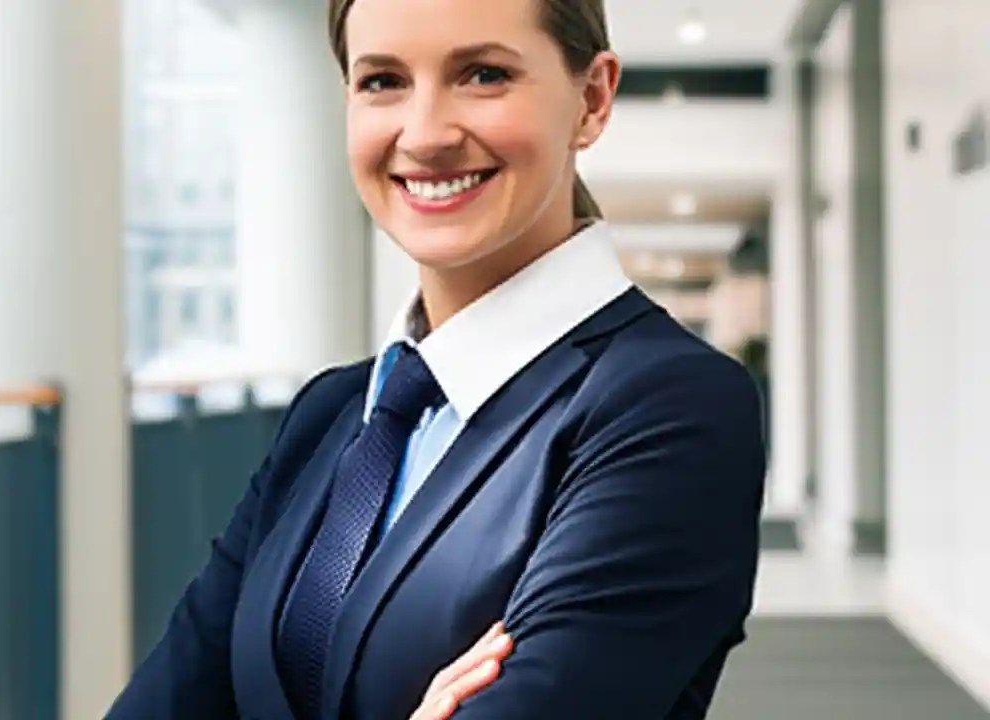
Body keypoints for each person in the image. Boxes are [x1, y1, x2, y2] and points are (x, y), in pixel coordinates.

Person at [106, 0, 766, 717]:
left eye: (483, 74)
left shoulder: (672, 409)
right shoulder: (332, 413)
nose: (424, 135)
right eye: (383, 81)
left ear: (593, 98)